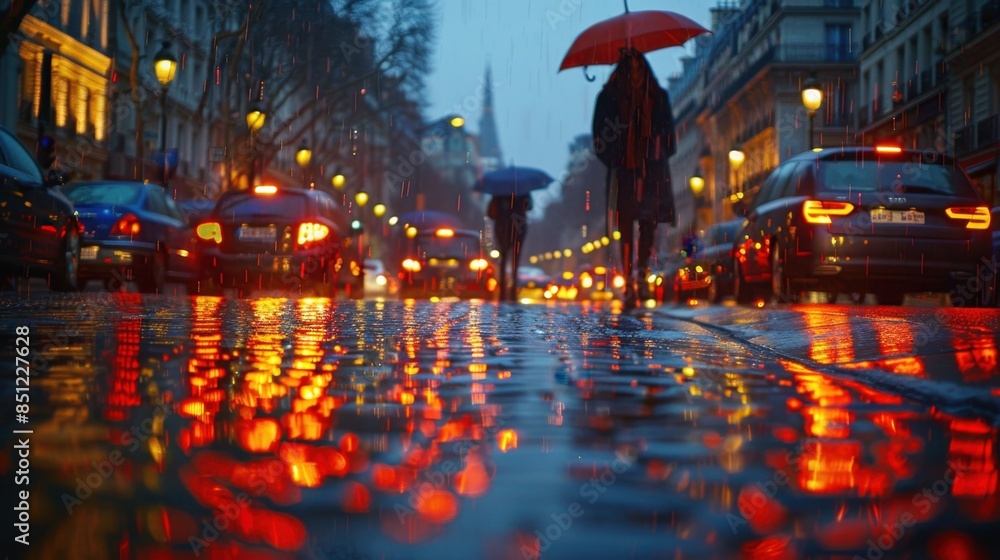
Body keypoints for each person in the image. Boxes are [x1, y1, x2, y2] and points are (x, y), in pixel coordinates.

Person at [591, 48, 677, 308]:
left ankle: (641, 275)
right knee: (626, 227)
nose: (636, 75)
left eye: (640, 69)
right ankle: (629, 281)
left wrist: (657, 146)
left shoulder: (657, 97)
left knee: (649, 223)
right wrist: (618, 152)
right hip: (625, 170)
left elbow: (670, 134)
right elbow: (599, 137)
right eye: (632, 70)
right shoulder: (609, 97)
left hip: (651, 169)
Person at [488, 193, 533, 301]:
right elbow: (530, 207)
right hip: (518, 227)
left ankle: (503, 292)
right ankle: (512, 292)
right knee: (515, 259)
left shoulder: (500, 193)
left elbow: (491, 214)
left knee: (504, 258)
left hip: (502, 227)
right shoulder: (522, 192)